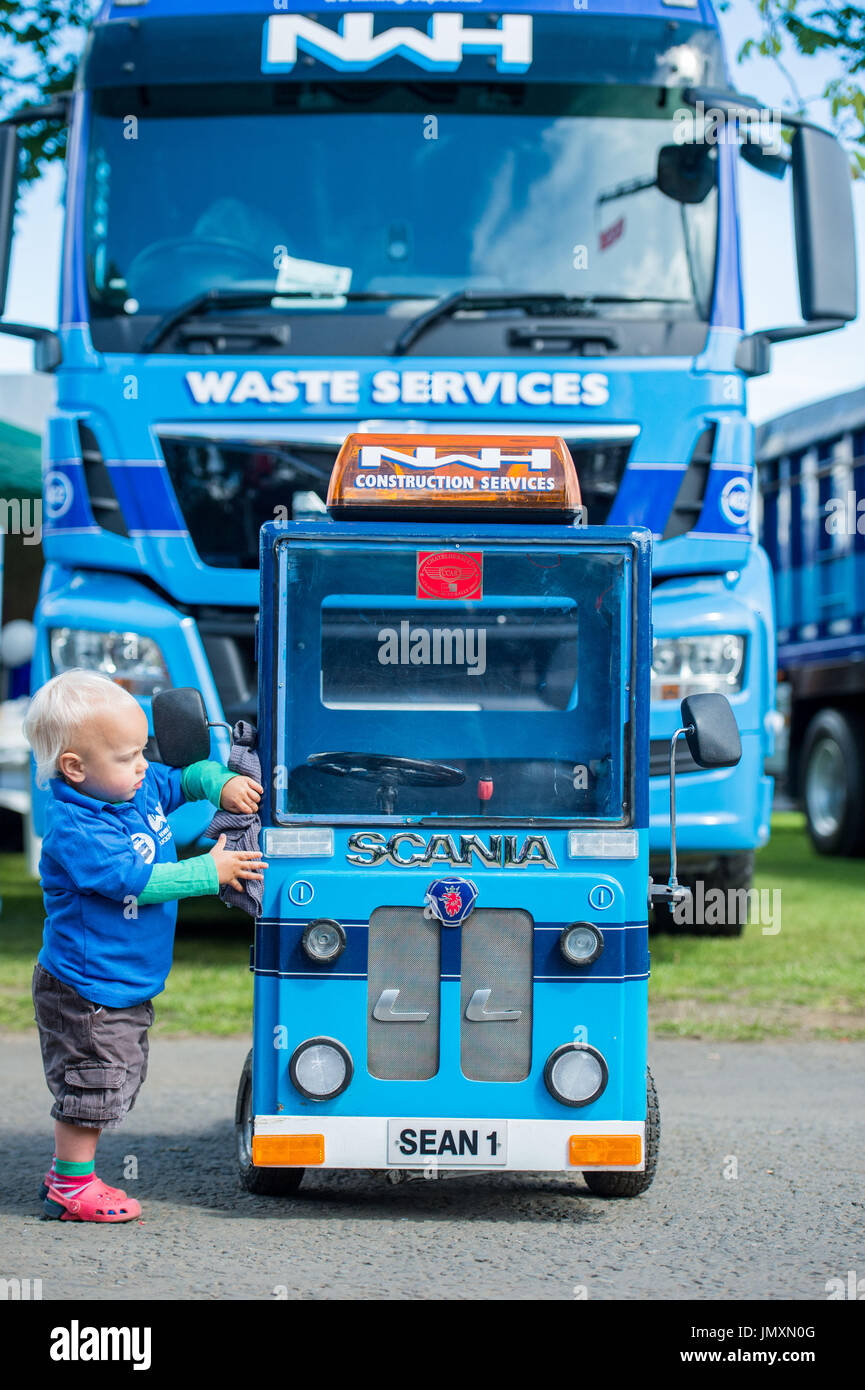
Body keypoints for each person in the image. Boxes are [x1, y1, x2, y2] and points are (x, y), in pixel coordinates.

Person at [22, 669, 267, 1223]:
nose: (143, 765)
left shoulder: (133, 788)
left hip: (121, 983)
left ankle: (69, 1175)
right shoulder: (77, 828)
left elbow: (182, 777)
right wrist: (210, 871)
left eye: (142, 751)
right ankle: (71, 1187)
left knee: (115, 1077)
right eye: (128, 756)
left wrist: (217, 782)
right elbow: (141, 881)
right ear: (75, 768)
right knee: (94, 1084)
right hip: (87, 990)